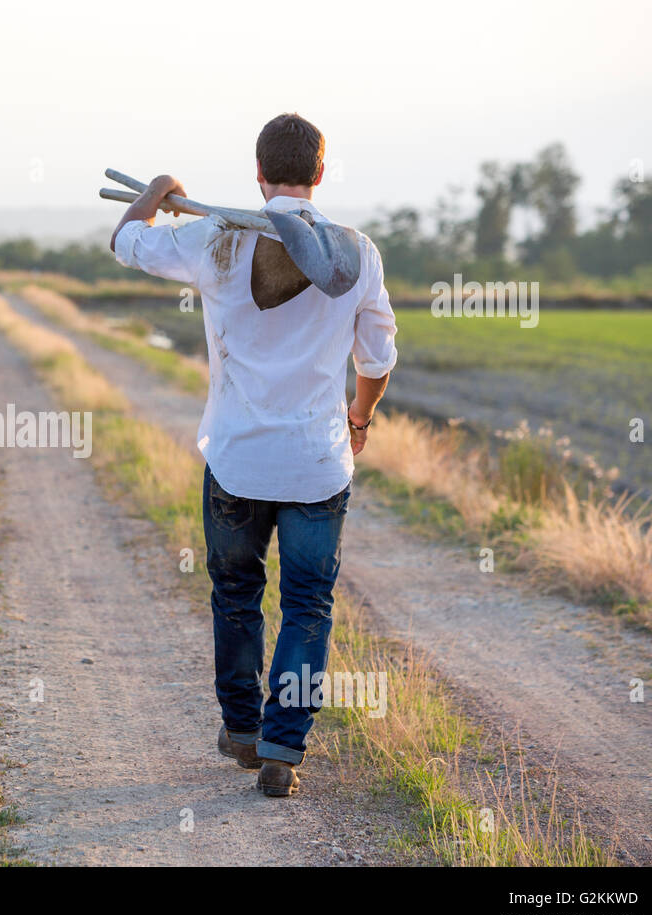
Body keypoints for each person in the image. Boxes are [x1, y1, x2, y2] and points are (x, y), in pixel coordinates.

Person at [110, 113, 398, 797]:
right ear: (320, 173)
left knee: (237, 596)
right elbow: (379, 356)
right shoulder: (356, 251)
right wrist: (360, 414)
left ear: (258, 173)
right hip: (318, 465)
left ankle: (241, 730)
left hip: (236, 460)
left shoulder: (216, 236)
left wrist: (159, 186)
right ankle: (281, 750)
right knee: (307, 606)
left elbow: (125, 241)